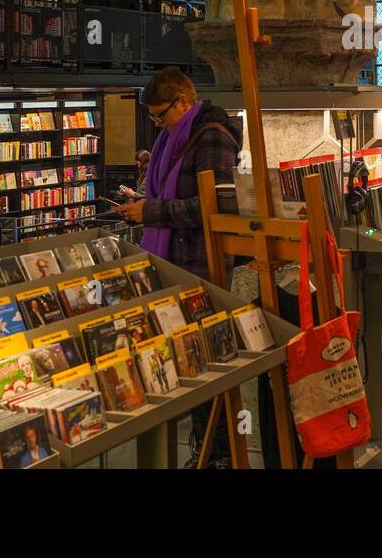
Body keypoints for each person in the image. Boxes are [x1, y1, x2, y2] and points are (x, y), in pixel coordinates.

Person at [118, 67, 241, 467]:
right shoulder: (173, 139)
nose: (157, 123)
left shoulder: (212, 140)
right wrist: (142, 205)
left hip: (200, 268)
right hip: (172, 265)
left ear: (184, 102)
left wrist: (150, 211)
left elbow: (214, 209)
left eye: (161, 114)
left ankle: (218, 455)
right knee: (189, 368)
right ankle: (202, 451)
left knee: (208, 368)